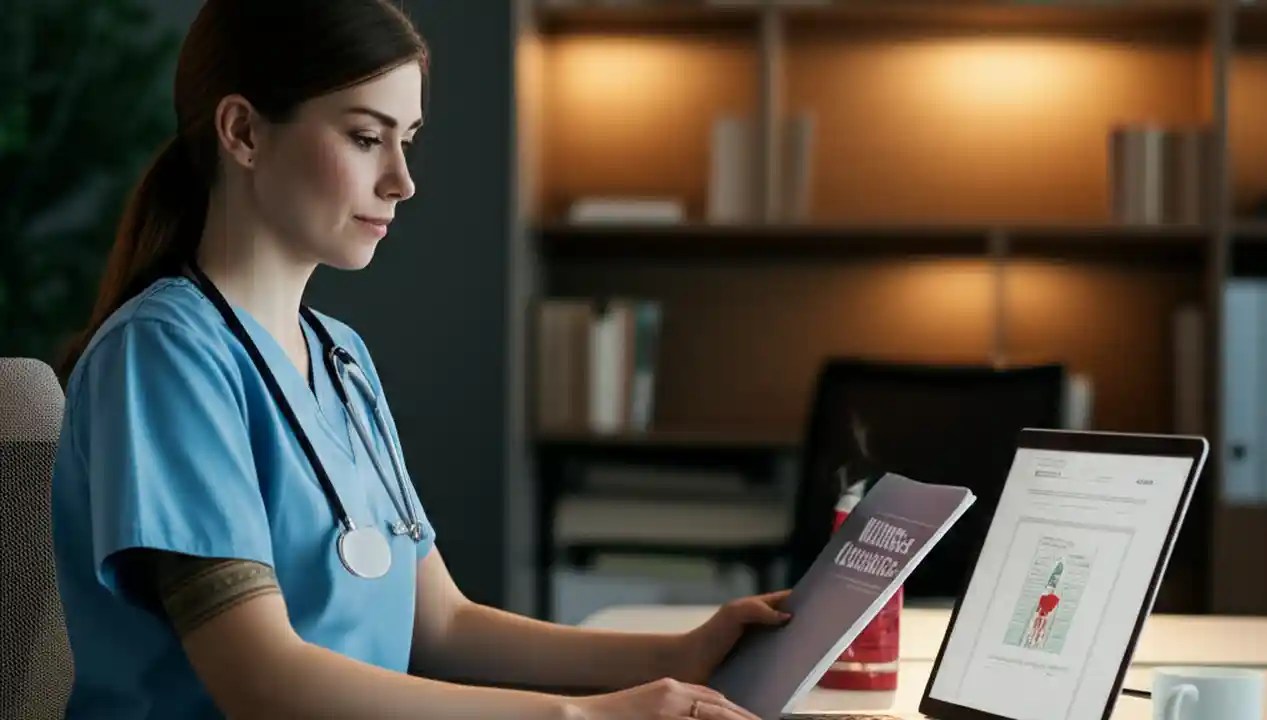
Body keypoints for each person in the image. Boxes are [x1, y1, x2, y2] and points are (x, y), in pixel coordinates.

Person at [50, 2, 790, 718]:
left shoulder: (342, 359)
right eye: (367, 138)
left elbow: (440, 625)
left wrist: (684, 654)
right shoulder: (163, 356)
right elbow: (264, 686)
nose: (403, 181)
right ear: (243, 131)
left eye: (407, 139)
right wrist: (584, 718)